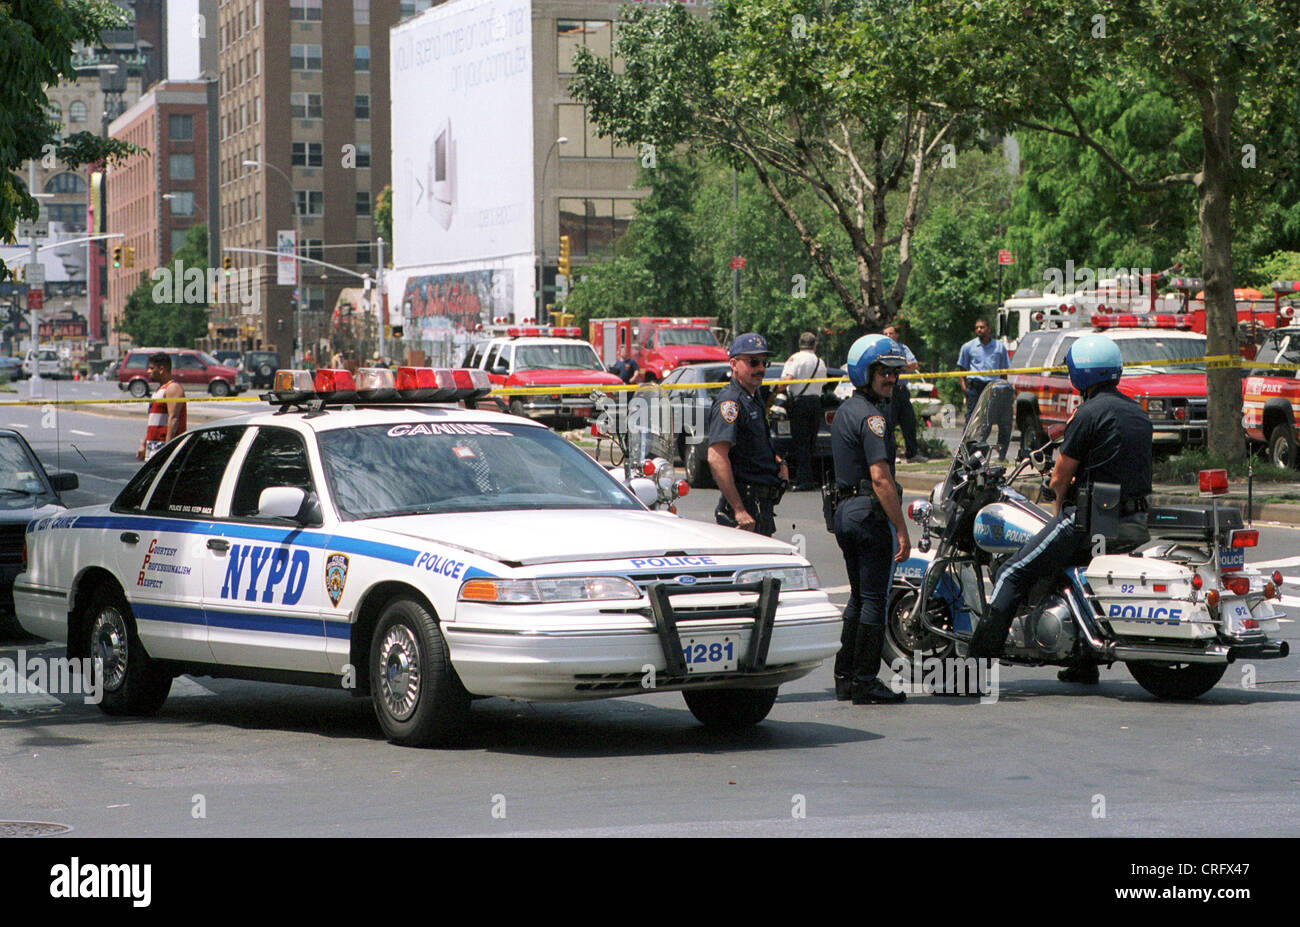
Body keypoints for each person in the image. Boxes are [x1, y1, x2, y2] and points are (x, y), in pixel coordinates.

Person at [968, 333, 1152, 683]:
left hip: (1092, 519)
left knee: (1012, 572)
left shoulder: (1087, 414)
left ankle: (972, 671)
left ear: (1081, 374)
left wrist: (1055, 496)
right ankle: (1083, 664)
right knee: (1073, 574)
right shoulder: (1136, 412)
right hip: (1134, 520)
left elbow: (1059, 479)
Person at [829, 334, 911, 704]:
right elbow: (881, 478)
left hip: (845, 512)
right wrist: (901, 528)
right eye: (883, 372)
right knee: (875, 599)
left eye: (894, 373)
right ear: (866, 372)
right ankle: (865, 681)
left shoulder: (847, 409)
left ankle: (845, 676)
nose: (891, 379)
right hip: (867, 513)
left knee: (858, 599)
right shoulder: (873, 418)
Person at [706, 333, 787, 536]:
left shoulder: (753, 396)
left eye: (763, 362)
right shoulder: (731, 402)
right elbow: (716, 456)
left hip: (761, 505)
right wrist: (739, 510)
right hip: (745, 507)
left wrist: (778, 462)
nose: (760, 368)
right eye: (753, 362)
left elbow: (751, 444)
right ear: (734, 364)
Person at [956, 318, 1012, 459]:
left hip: (995, 388)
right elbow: (961, 370)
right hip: (976, 387)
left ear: (989, 329)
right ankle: (965, 453)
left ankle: (1001, 454)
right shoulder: (968, 347)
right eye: (977, 327)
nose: (979, 330)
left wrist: (1004, 388)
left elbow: (1004, 370)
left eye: (982, 327)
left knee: (1001, 422)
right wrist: (965, 390)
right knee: (972, 421)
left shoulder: (999, 347)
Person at [777, 331, 826, 490]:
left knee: (800, 442)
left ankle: (803, 480)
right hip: (816, 403)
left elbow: (787, 381)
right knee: (811, 442)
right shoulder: (820, 362)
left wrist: (778, 389)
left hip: (800, 403)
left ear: (800, 344)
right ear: (814, 346)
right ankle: (808, 478)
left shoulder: (795, 359)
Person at [882, 323, 927, 462]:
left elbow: (914, 364)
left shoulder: (903, 348)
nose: (889, 336)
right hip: (889, 390)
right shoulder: (881, 349)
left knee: (909, 422)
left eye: (891, 333)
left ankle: (912, 454)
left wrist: (899, 364)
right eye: (886, 334)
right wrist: (901, 364)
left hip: (902, 390)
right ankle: (891, 455)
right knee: (889, 423)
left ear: (896, 335)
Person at [137, 353, 186, 461]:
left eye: (151, 368)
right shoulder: (158, 390)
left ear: (161, 369)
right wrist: (144, 445)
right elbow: (154, 421)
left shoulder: (173, 388)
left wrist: (168, 448)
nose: (148, 371)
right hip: (153, 446)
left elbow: (173, 419)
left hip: (164, 447)